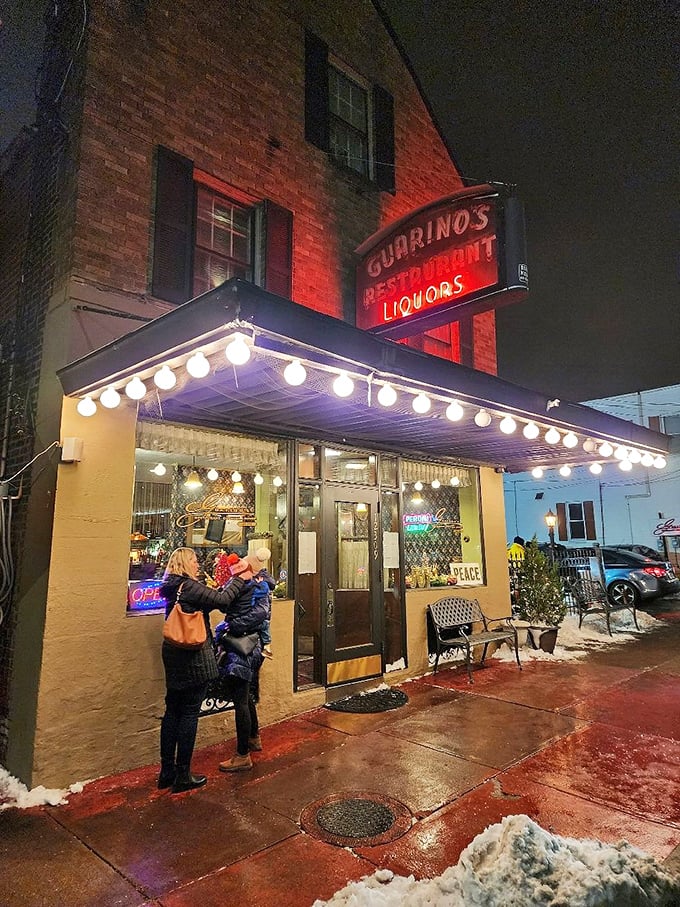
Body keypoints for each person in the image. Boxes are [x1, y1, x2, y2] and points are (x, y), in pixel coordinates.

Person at [158, 546, 253, 793]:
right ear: (183, 563)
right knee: (189, 712)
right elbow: (222, 601)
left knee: (172, 710)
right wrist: (239, 578)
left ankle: (166, 771)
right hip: (193, 654)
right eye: (194, 560)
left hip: (172, 652)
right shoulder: (189, 586)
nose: (198, 564)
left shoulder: (171, 586)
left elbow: (206, 602)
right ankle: (183, 774)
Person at [214, 559, 271, 772]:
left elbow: (260, 612)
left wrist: (232, 625)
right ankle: (254, 738)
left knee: (240, 700)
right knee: (246, 696)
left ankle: (242, 755)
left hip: (243, 647)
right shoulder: (256, 585)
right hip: (252, 645)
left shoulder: (251, 586)